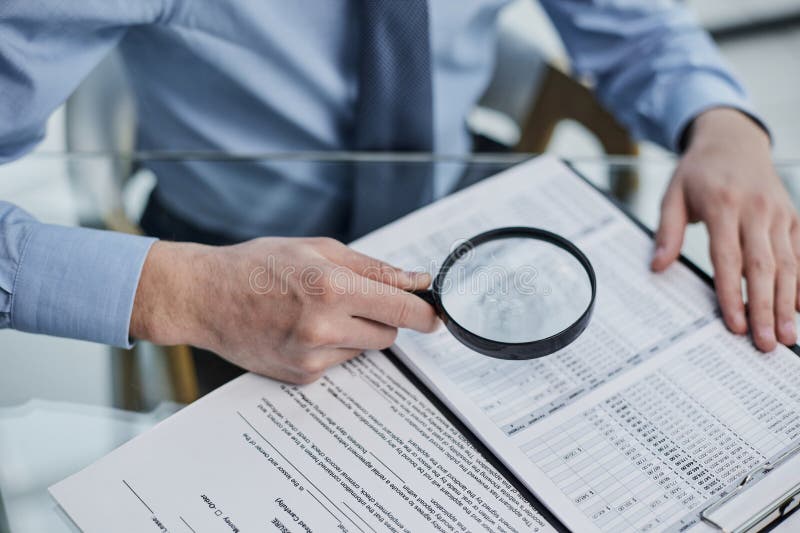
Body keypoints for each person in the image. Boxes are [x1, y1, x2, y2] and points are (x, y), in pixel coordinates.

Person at [0, 1, 796, 389]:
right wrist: (182, 291)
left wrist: (721, 119)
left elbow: (640, 27)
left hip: (461, 209)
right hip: (232, 268)